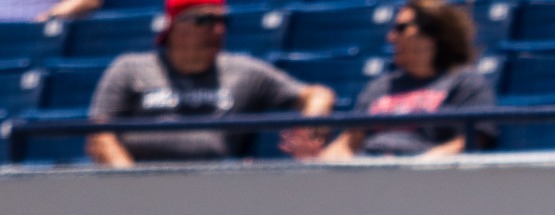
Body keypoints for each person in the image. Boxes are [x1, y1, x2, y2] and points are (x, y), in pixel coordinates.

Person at [88, 0, 335, 167]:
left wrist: (311, 122)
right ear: (174, 25)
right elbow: (100, 135)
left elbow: (317, 94)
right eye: (204, 21)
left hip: (217, 190)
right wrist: (130, 184)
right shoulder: (129, 69)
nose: (217, 30)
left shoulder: (244, 71)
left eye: (223, 22)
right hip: (138, 186)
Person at [316, 0, 495, 160]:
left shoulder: (465, 82)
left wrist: (418, 167)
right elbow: (349, 141)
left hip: (429, 180)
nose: (391, 38)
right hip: (370, 174)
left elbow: (472, 140)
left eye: (401, 28)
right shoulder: (380, 86)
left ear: (432, 35)